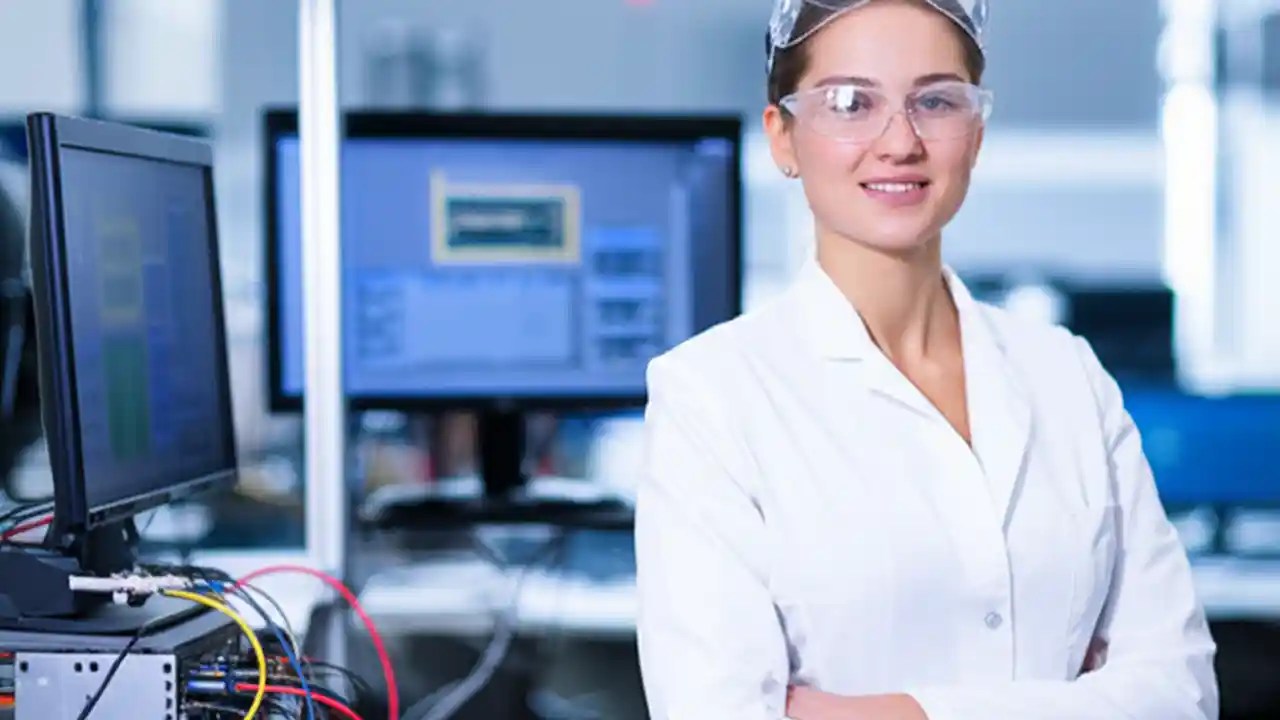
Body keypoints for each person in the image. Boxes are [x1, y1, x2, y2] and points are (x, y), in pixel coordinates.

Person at [632, 1, 1218, 718]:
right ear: (782, 137)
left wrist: (887, 712)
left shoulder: (1067, 375)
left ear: (976, 132)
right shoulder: (712, 396)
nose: (899, 141)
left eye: (935, 100)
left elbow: (1181, 694)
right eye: (850, 103)